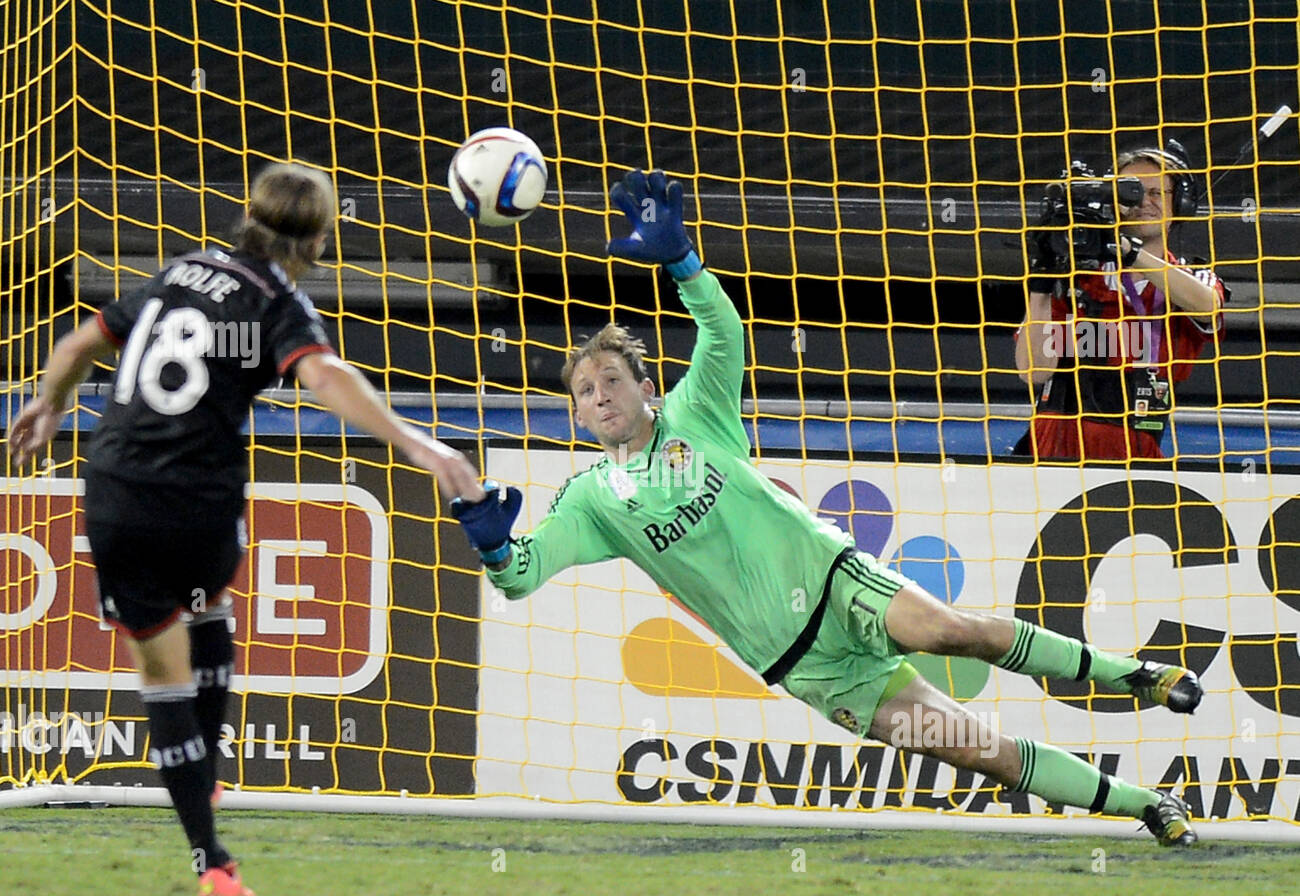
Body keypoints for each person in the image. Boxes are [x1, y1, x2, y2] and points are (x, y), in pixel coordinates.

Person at [453, 168, 1204, 846]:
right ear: (578, 419)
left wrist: (683, 262)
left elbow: (723, 330)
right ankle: (1147, 805)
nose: (601, 395)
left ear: (646, 388)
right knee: (980, 751)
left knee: (952, 630)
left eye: (612, 379)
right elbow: (520, 577)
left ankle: (1133, 673)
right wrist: (492, 545)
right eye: (585, 392)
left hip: (835, 579)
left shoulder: (698, 410)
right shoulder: (589, 501)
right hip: (806, 665)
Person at [7, 162, 484, 896]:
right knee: (205, 615)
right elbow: (323, 378)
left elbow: (73, 347)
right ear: (320, 240)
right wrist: (421, 445)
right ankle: (212, 845)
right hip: (197, 499)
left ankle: (209, 841)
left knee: (165, 669)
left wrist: (46, 406)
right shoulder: (277, 301)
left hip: (114, 489)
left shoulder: (181, 272)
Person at [1014, 144, 1228, 461]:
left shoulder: (1193, 280)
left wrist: (1128, 252)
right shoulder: (1075, 279)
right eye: (1131, 193)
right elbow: (1033, 372)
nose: (1144, 202)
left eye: (1157, 193)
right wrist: (1042, 282)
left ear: (1179, 204)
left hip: (1135, 454)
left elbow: (1207, 305)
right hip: (1049, 449)